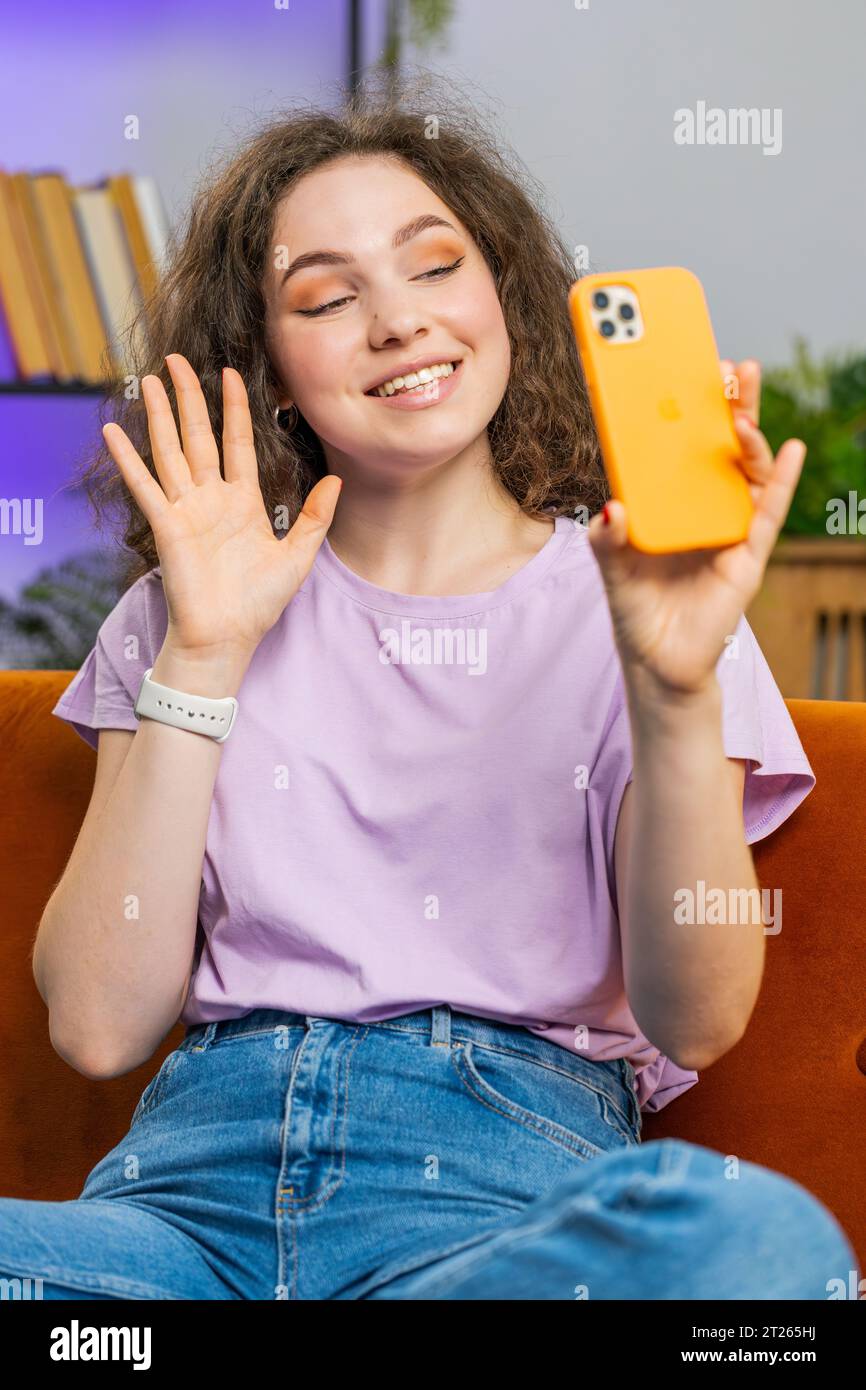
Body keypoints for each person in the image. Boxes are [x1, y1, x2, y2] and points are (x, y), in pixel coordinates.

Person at [6, 76, 857, 1300]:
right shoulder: (180, 616)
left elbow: (699, 1020)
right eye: (328, 296)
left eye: (432, 266)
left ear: (503, 298)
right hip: (179, 1226)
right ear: (271, 368)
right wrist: (203, 654)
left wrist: (671, 693)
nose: (397, 321)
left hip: (497, 1214)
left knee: (758, 1252)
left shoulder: (653, 598)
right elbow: (95, 1026)